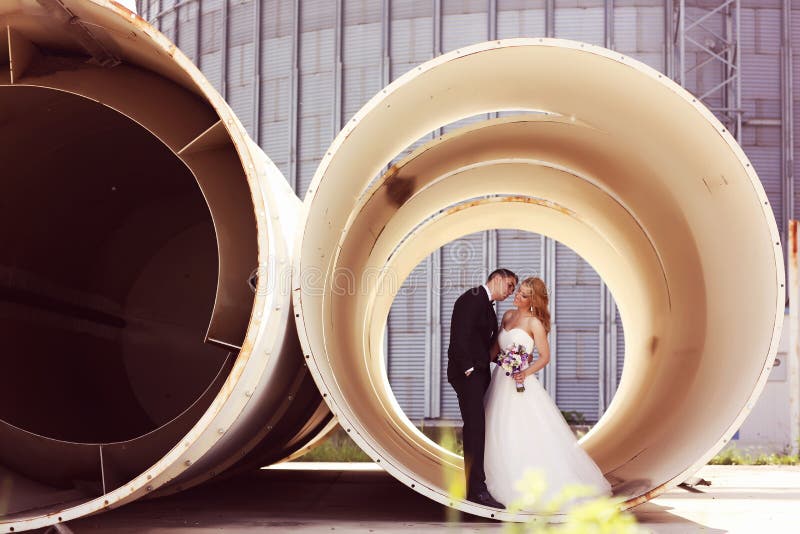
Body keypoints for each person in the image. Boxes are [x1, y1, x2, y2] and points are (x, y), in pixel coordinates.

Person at [483, 276, 611, 511]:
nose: (516, 296)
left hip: (521, 383)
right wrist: (488, 361)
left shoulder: (534, 324)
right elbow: (495, 349)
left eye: (522, 294)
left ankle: (528, 485)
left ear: (532, 300)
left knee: (521, 431)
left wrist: (524, 371)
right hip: (500, 380)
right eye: (517, 292)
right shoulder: (508, 316)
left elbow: (545, 356)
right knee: (495, 429)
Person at [447, 268, 518, 508]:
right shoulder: (472, 298)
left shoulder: (486, 304)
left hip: (478, 373)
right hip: (468, 375)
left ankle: (476, 487)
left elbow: (482, 343)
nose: (511, 292)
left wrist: (508, 362)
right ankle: (476, 490)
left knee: (479, 428)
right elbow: (459, 335)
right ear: (496, 279)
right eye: (509, 285)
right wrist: (468, 369)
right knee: (475, 428)